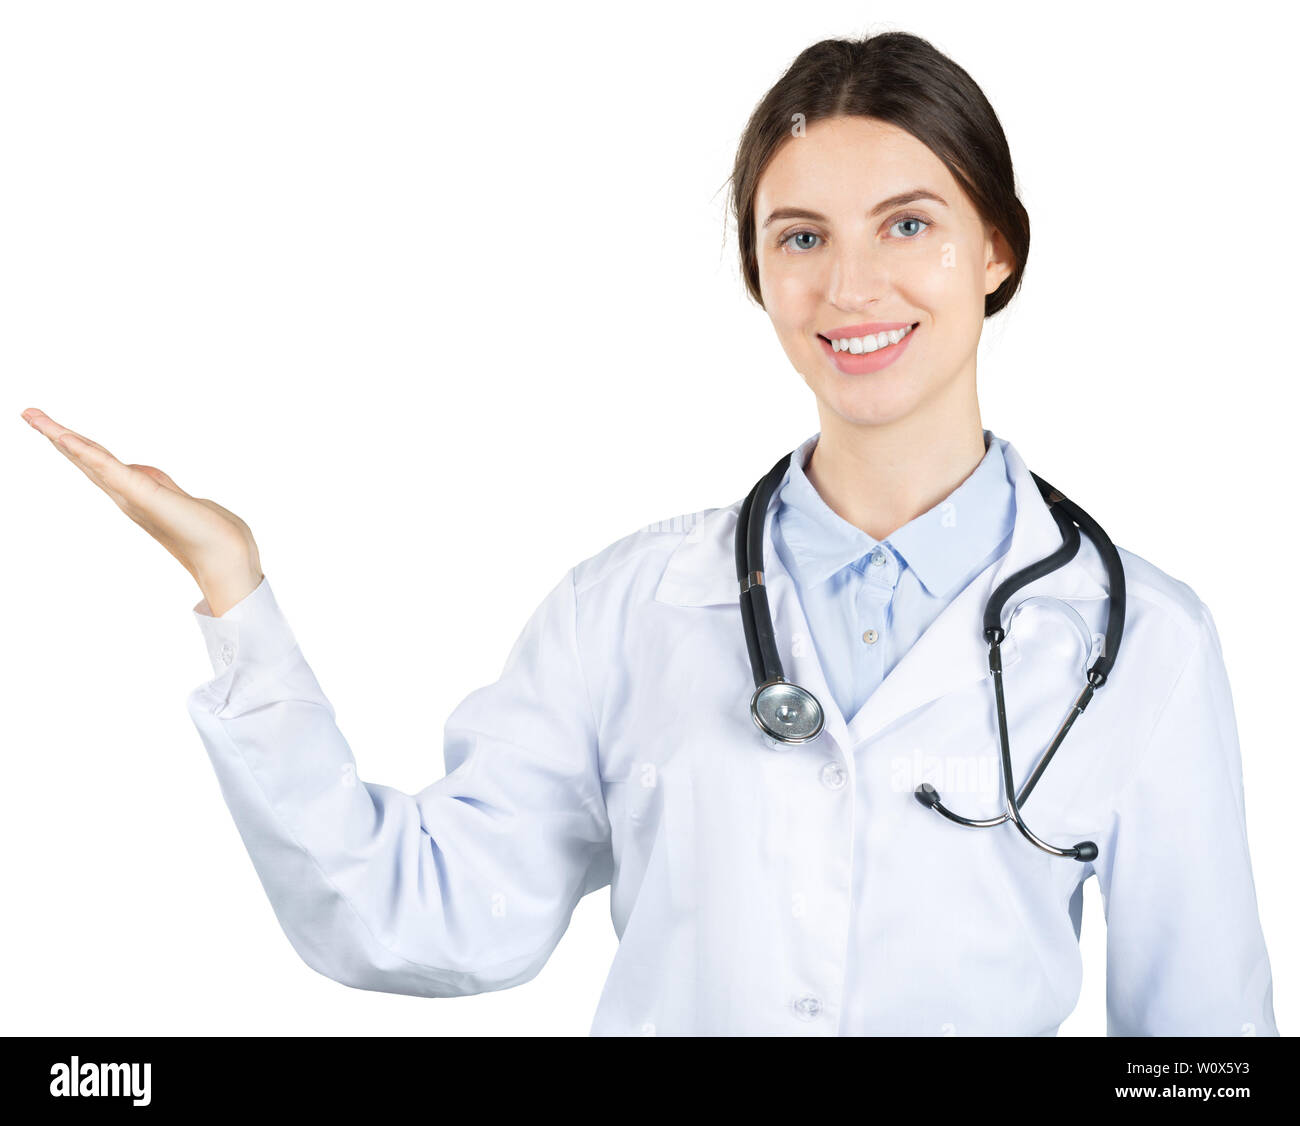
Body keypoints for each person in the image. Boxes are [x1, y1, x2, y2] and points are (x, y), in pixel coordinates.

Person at [21, 31, 1278, 1037]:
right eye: (800, 238)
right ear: (756, 271)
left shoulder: (1142, 638)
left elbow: (1203, 1048)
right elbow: (420, 915)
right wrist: (233, 591)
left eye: (908, 224)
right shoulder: (628, 610)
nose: (850, 288)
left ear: (993, 247)